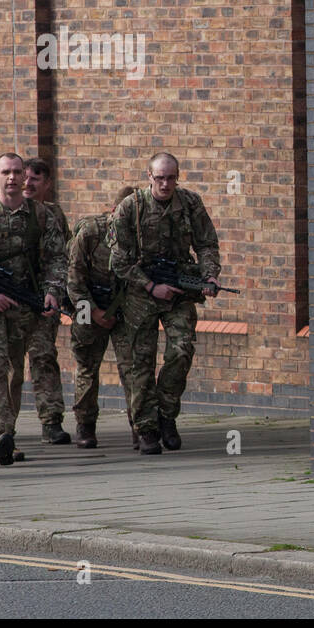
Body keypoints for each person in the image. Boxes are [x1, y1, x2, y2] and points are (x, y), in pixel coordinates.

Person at [0, 153, 69, 466]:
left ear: (25, 177)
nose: (12, 178)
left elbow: (56, 258)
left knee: (14, 373)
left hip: (25, 305)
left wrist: (51, 292)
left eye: (17, 172)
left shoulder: (42, 215)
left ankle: (8, 432)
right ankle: (2, 434)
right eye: (5, 172)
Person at [109, 152, 221, 455]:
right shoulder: (130, 208)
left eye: (171, 177)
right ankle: (146, 428)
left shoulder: (190, 203)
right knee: (139, 363)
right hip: (140, 293)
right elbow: (118, 259)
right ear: (149, 176)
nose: (166, 183)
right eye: (160, 177)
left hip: (179, 290)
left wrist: (209, 277)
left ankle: (166, 415)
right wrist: (150, 285)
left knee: (182, 350)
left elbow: (207, 243)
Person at [68, 186, 138, 448]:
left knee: (133, 369)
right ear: (113, 211)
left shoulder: (140, 238)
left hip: (124, 310)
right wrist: (94, 312)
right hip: (88, 305)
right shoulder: (90, 233)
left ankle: (140, 426)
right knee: (87, 367)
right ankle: (85, 426)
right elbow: (74, 280)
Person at [11, 157, 71, 444]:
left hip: (41, 301)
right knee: (7, 365)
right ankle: (3, 425)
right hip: (10, 301)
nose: (29, 183)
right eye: (27, 177)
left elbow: (63, 257)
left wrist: (57, 293)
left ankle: (51, 421)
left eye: (36, 178)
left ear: (47, 184)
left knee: (44, 359)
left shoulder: (53, 215)